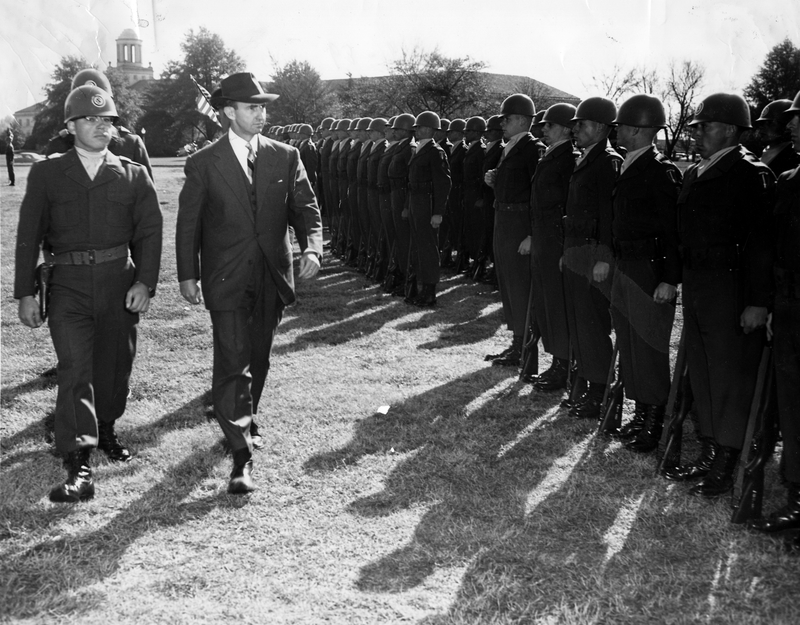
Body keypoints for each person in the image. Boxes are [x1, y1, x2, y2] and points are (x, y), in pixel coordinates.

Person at [176, 72, 322, 494]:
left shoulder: (285, 155)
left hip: (271, 273)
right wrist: (188, 273)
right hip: (225, 276)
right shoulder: (204, 162)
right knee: (232, 358)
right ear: (229, 112)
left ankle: (246, 414)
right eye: (253, 107)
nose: (262, 114)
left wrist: (312, 248)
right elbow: (189, 226)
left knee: (258, 355)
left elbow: (306, 209)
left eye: (263, 106)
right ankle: (241, 452)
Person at [14, 85, 162, 502]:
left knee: (115, 365)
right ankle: (79, 463)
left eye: (107, 120)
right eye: (91, 119)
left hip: (120, 284)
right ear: (71, 125)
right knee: (75, 368)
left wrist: (145, 282)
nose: (101, 126)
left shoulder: (133, 173)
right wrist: (25, 292)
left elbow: (149, 233)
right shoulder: (48, 172)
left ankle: (108, 430)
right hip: (69, 286)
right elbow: (29, 235)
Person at [664, 93, 775, 498]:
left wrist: (758, 300)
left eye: (705, 126)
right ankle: (711, 449)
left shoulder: (750, 174)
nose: (697, 134)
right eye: (695, 127)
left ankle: (727, 459)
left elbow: (762, 243)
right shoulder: (696, 172)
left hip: (731, 285)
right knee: (704, 368)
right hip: (699, 281)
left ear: (730, 129)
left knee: (728, 373)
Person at [609, 95, 681, 451]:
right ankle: (640, 414)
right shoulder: (628, 164)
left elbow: (672, 230)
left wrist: (669, 278)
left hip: (649, 270)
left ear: (637, 129)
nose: (617, 130)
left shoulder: (660, 170)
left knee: (649, 347)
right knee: (630, 342)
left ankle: (654, 420)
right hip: (626, 266)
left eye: (622, 125)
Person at [749, 90, 800, 541]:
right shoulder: (789, 178)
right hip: (788, 305)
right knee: (792, 403)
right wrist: (767, 303)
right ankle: (797, 497)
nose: (795, 126)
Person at [562, 97, 622, 419]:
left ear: (600, 127)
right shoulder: (587, 158)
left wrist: (604, 258)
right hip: (577, 253)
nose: (575, 129)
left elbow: (608, 215)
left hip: (593, 256)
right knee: (579, 321)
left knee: (593, 323)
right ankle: (586, 385)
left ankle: (599, 391)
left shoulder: (606, 161)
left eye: (581, 124)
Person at [484, 94, 543, 367]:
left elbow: (536, 194)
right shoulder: (509, 147)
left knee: (519, 285)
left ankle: (523, 346)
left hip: (519, 224)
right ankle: (516, 342)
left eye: (506, 119)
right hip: (503, 219)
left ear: (522, 120)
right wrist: (494, 181)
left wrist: (531, 233)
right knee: (507, 283)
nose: (502, 125)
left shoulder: (532, 149)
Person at [525, 103, 578, 389]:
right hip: (544, 239)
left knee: (556, 305)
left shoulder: (567, 159)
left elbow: (565, 206)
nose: (544, 129)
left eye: (550, 125)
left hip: (555, 241)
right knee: (546, 303)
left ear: (568, 129)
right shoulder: (551, 156)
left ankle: (562, 364)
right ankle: (557, 360)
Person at [46, 69, 153, 181]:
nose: (93, 109)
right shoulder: (58, 146)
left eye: (100, 101)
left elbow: (147, 193)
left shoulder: (131, 144)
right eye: (83, 103)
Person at [406, 111, 452, 307]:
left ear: (429, 129)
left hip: (428, 203)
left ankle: (430, 291)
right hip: (418, 202)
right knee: (419, 246)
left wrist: (438, 212)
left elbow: (444, 184)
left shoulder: (435, 151)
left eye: (420, 127)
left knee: (428, 248)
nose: (417, 131)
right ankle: (420, 288)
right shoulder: (419, 149)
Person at [753, 99, 800, 177]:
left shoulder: (792, 159)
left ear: (785, 126)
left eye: (769, 123)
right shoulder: (762, 155)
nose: (762, 128)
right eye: (762, 124)